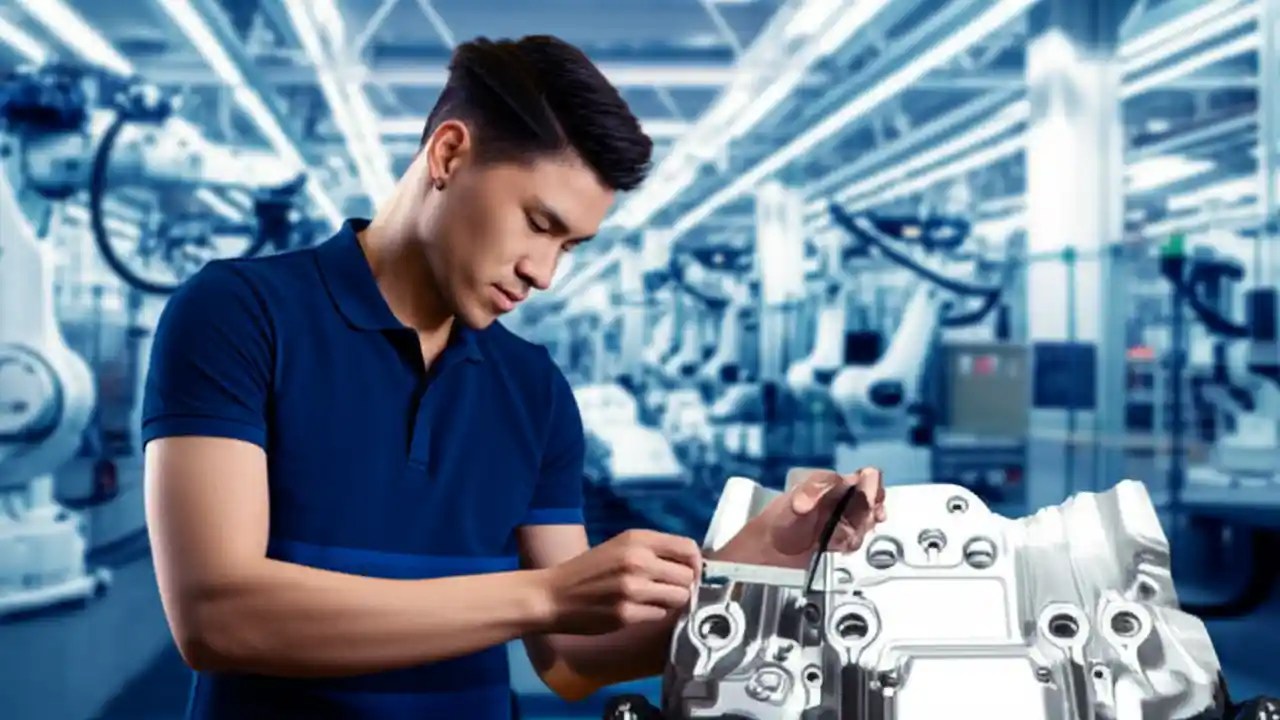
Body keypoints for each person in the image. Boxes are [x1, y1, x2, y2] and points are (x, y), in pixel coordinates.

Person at [141, 34, 887, 720]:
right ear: (449, 155)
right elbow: (219, 617)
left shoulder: (531, 387)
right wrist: (544, 594)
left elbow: (568, 658)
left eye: (572, 245)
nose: (545, 272)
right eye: (538, 222)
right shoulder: (241, 313)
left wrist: (765, 564)